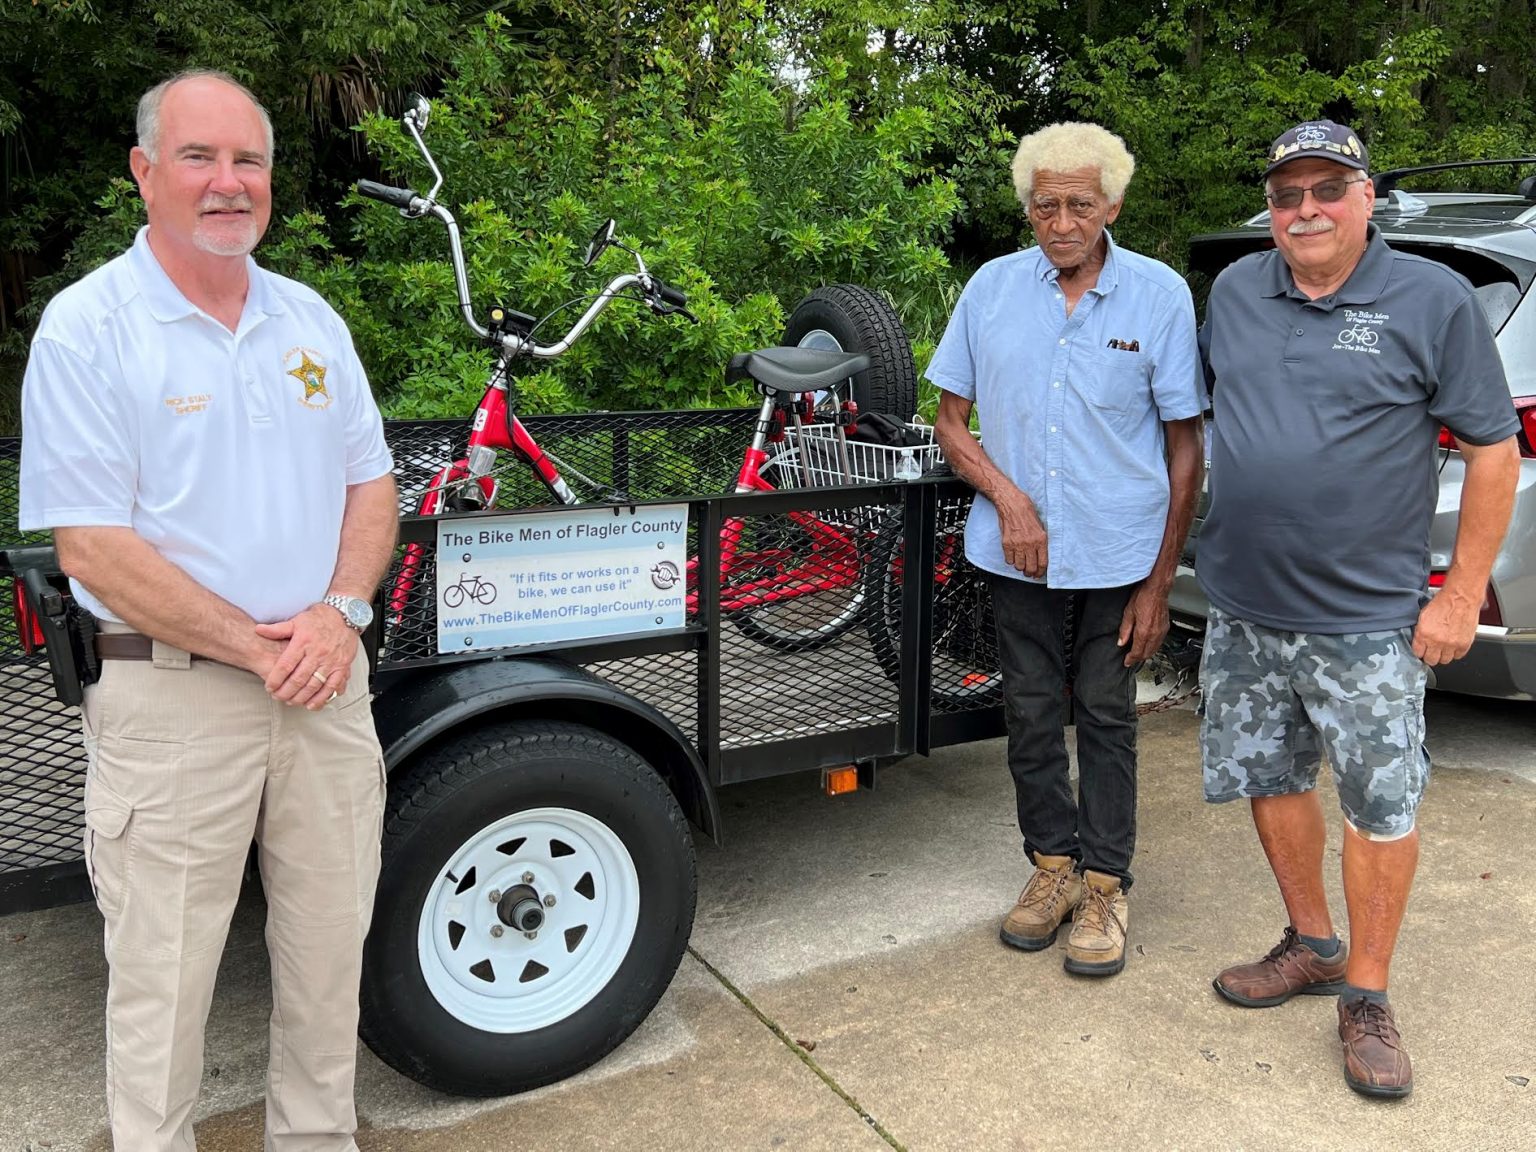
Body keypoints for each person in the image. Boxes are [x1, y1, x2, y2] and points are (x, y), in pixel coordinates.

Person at [18, 70, 398, 1149]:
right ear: (145, 173)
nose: (228, 183)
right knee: (163, 988)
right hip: (172, 700)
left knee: (330, 966)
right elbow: (91, 544)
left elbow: (372, 487)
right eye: (199, 158)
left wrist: (337, 616)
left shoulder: (309, 319)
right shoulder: (91, 329)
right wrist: (253, 647)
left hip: (324, 686)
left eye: (248, 161)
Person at [1198, 119, 1521, 1098]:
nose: (1305, 209)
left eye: (1327, 189)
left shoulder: (1436, 300)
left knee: (1380, 809)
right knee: (1271, 778)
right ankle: (1312, 942)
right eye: (1287, 192)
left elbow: (1494, 449)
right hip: (1245, 610)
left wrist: (1460, 593)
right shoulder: (1235, 292)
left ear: (1366, 197)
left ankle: (1367, 998)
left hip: (1369, 621)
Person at [929, 122, 1204, 978]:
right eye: (1044, 205)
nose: (1060, 221)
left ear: (1112, 205)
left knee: (1109, 714)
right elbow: (949, 422)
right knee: (1032, 711)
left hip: (1123, 553)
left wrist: (1161, 584)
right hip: (1017, 555)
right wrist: (1009, 499)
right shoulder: (992, 289)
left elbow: (1185, 448)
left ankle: (1106, 883)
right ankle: (1051, 868)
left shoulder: (1157, 296)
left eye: (1079, 204)